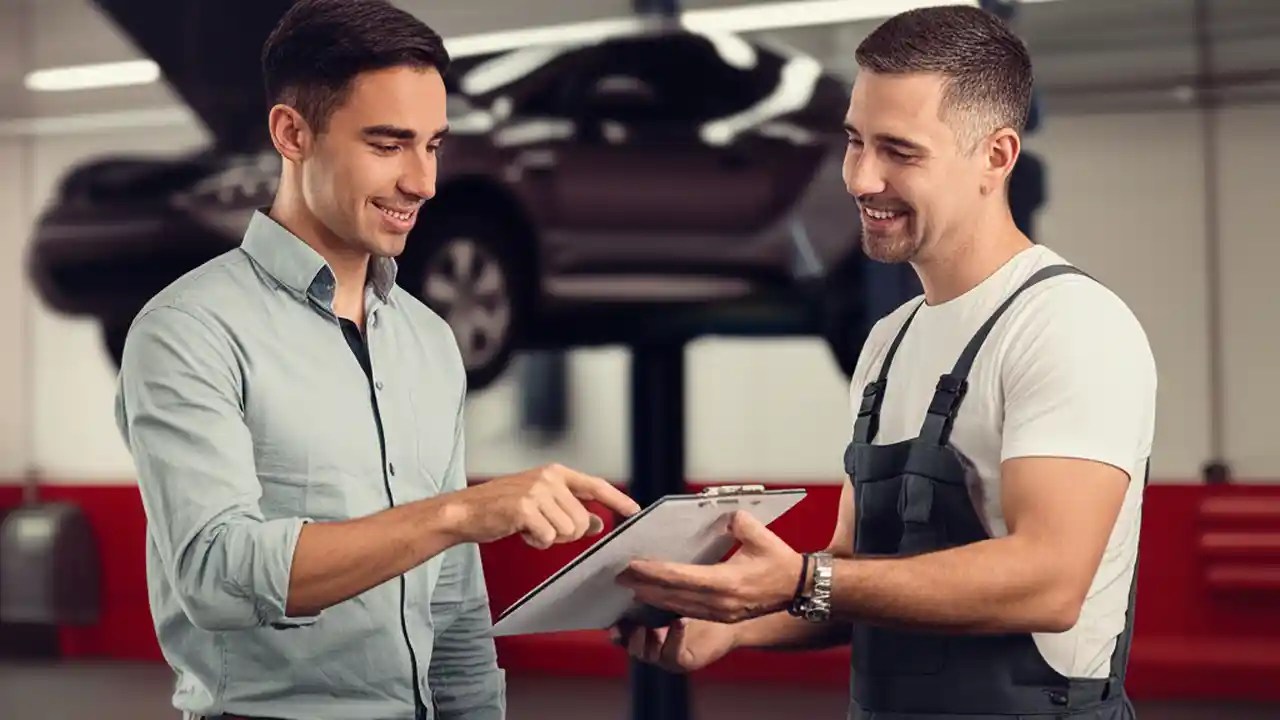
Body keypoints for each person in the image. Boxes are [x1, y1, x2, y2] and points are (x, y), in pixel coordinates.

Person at [614, 6, 1157, 720]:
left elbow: (1049, 583)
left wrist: (801, 579)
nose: (861, 178)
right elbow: (858, 579)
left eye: (900, 151)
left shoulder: (1067, 325)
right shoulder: (889, 341)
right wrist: (732, 624)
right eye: (855, 141)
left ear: (996, 157)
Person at [113, 2, 641, 719]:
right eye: (389, 145)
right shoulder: (188, 331)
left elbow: (452, 604)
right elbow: (215, 573)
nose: (423, 182)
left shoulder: (428, 339)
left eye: (433, 146)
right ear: (291, 134)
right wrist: (458, 513)